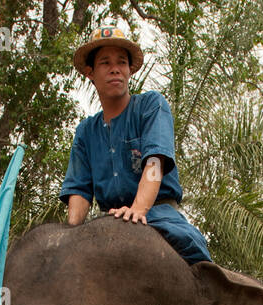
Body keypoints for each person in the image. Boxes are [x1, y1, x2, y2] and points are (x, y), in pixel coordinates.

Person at [59, 25, 212, 265]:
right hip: (107, 222)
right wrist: (70, 236)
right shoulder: (85, 132)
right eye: (105, 63)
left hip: (161, 217)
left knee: (199, 262)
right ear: (90, 73)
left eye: (121, 62)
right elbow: (79, 191)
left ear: (130, 70)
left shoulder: (151, 105)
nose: (115, 69)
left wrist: (138, 210)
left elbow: (155, 162)